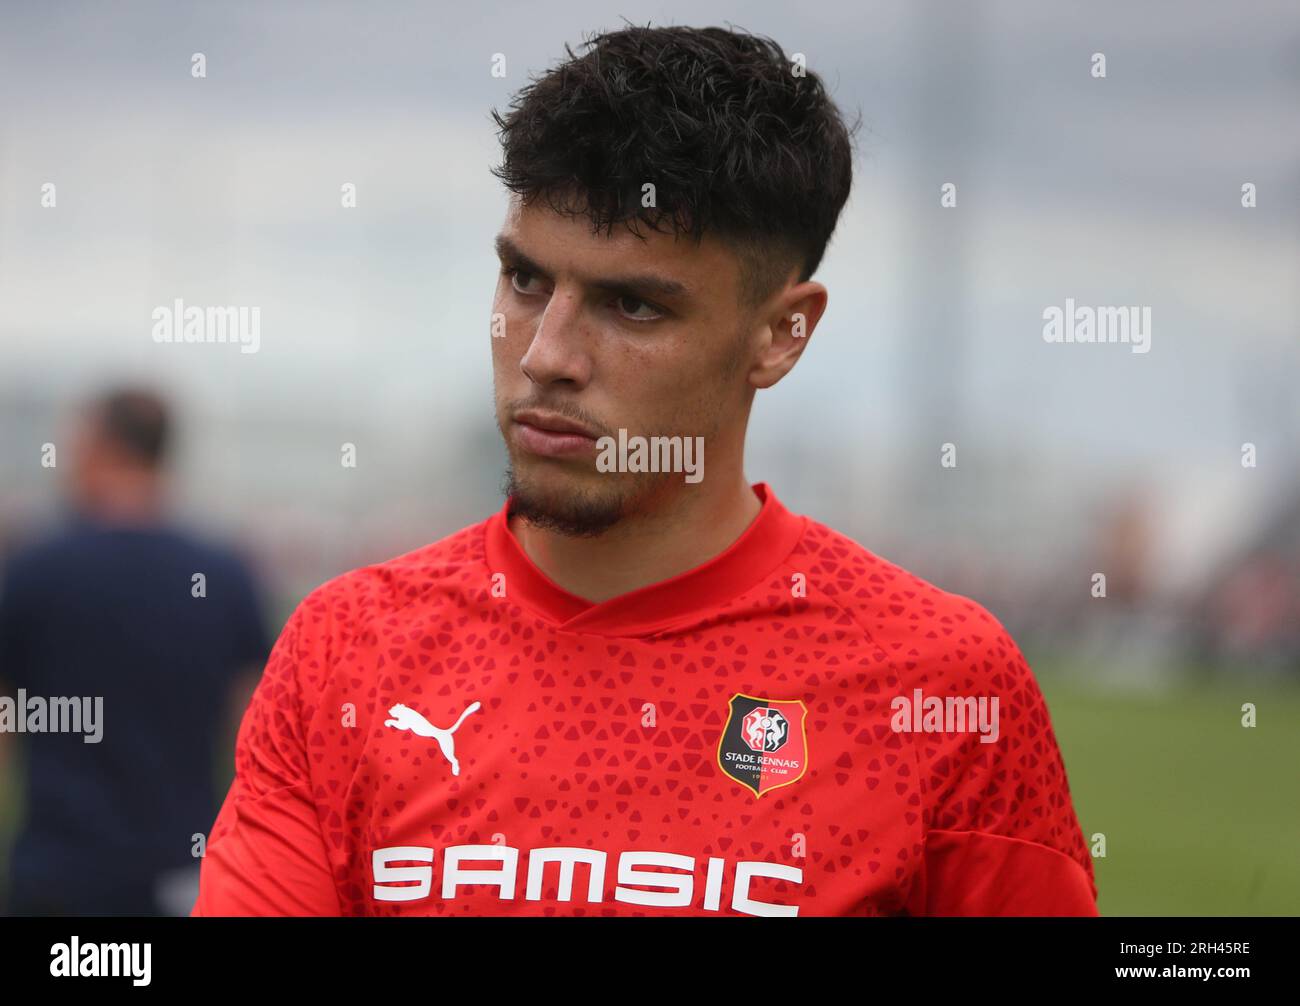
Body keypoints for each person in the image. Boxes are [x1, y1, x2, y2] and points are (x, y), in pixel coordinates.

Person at [192, 25, 1097, 916]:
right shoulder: (344, 654)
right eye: (526, 281)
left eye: (631, 305)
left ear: (783, 333)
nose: (547, 355)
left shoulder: (940, 686)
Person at [0, 387, 270, 914]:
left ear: (101, 447)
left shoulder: (36, 567)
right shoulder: (222, 573)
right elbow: (255, 737)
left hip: (57, 873)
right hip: (179, 871)